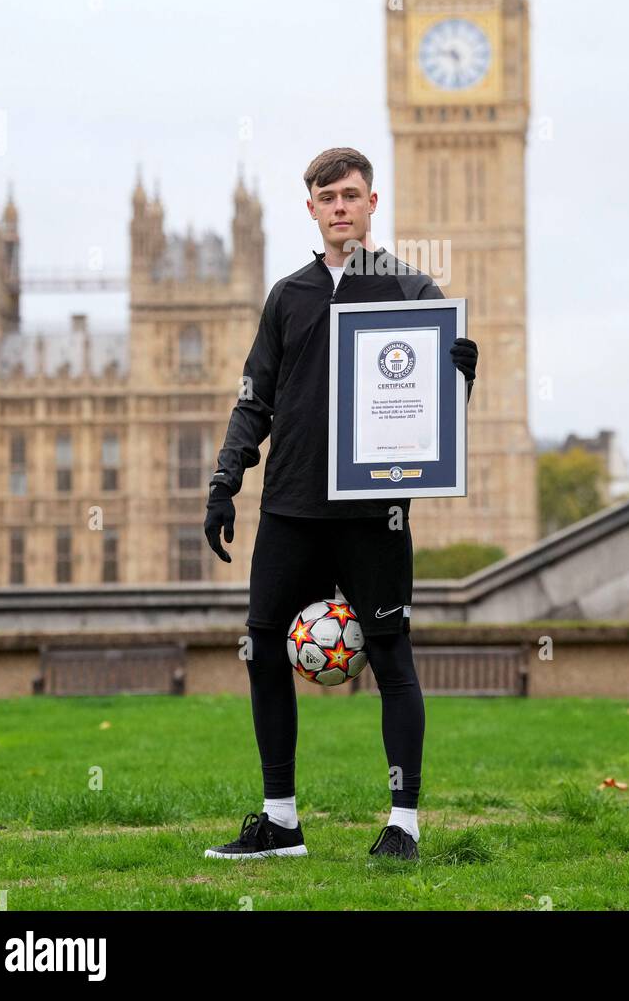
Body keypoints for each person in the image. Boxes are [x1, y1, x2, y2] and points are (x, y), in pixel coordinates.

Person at [202, 147, 478, 862]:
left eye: (352, 196)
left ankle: (404, 824)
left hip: (373, 513)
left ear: (372, 204)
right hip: (291, 506)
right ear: (313, 209)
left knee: (390, 655)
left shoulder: (412, 293)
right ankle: (280, 820)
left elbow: (432, 409)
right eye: (328, 198)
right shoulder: (287, 295)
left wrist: (459, 377)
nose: (341, 208)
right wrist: (225, 482)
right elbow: (253, 398)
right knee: (263, 648)